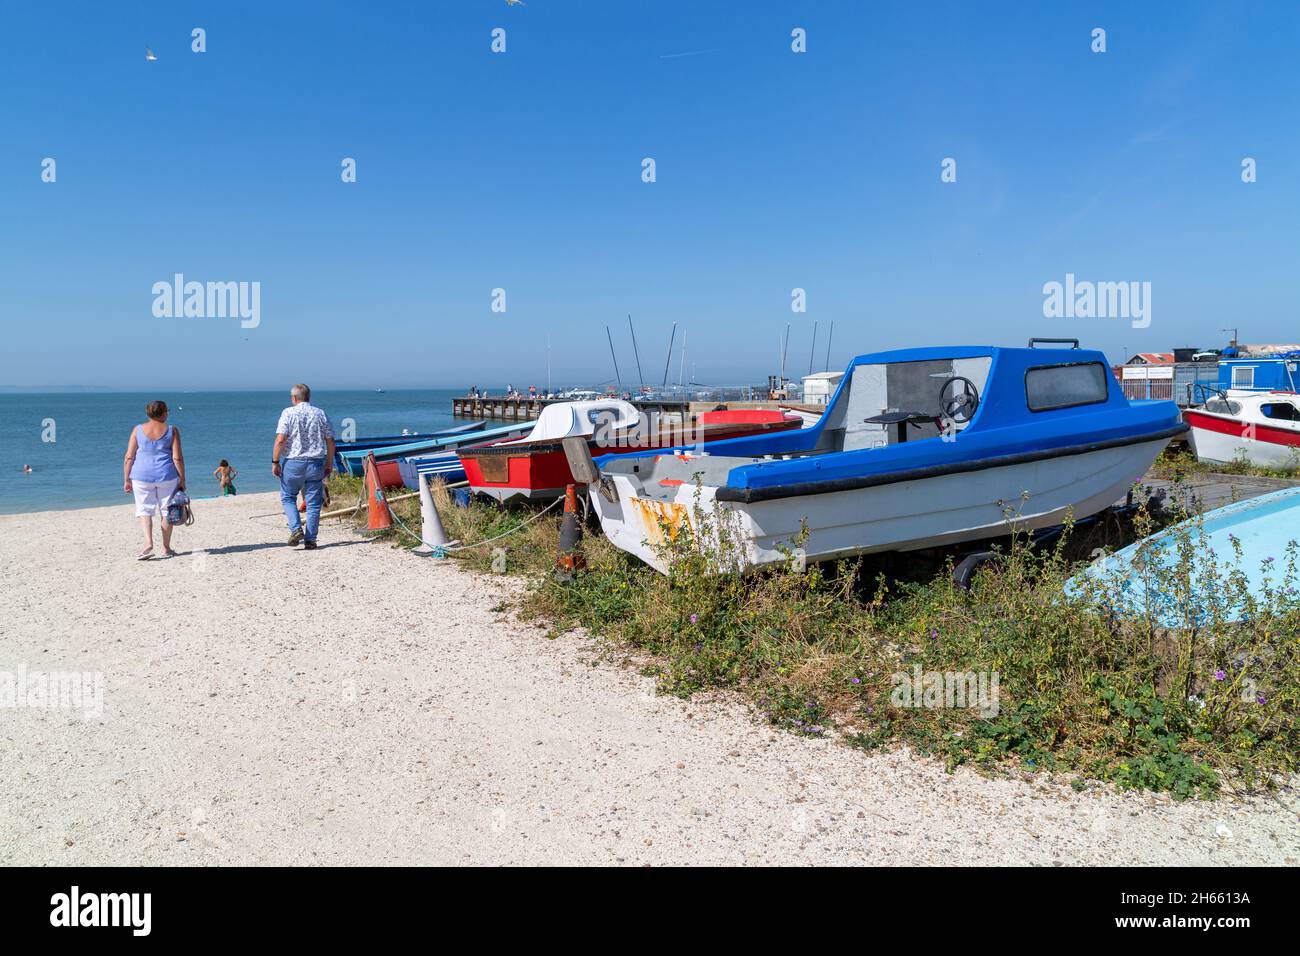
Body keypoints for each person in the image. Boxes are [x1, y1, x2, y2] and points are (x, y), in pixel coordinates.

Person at [272, 383, 335, 550]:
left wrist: (275, 462)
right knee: (314, 503)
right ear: (308, 397)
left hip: (294, 462)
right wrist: (329, 463)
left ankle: (295, 528)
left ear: (294, 398)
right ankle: (311, 539)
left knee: (288, 497)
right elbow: (330, 440)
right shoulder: (320, 413)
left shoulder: (288, 413)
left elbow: (280, 440)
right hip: (315, 462)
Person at [123, 400, 185, 559]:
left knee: (144, 510)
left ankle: (148, 543)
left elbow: (129, 457)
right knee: (167, 511)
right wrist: (182, 479)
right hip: (167, 475)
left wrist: (126, 479)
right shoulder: (172, 430)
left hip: (141, 476)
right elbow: (177, 458)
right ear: (164, 413)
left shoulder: (137, 430)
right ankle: (166, 548)